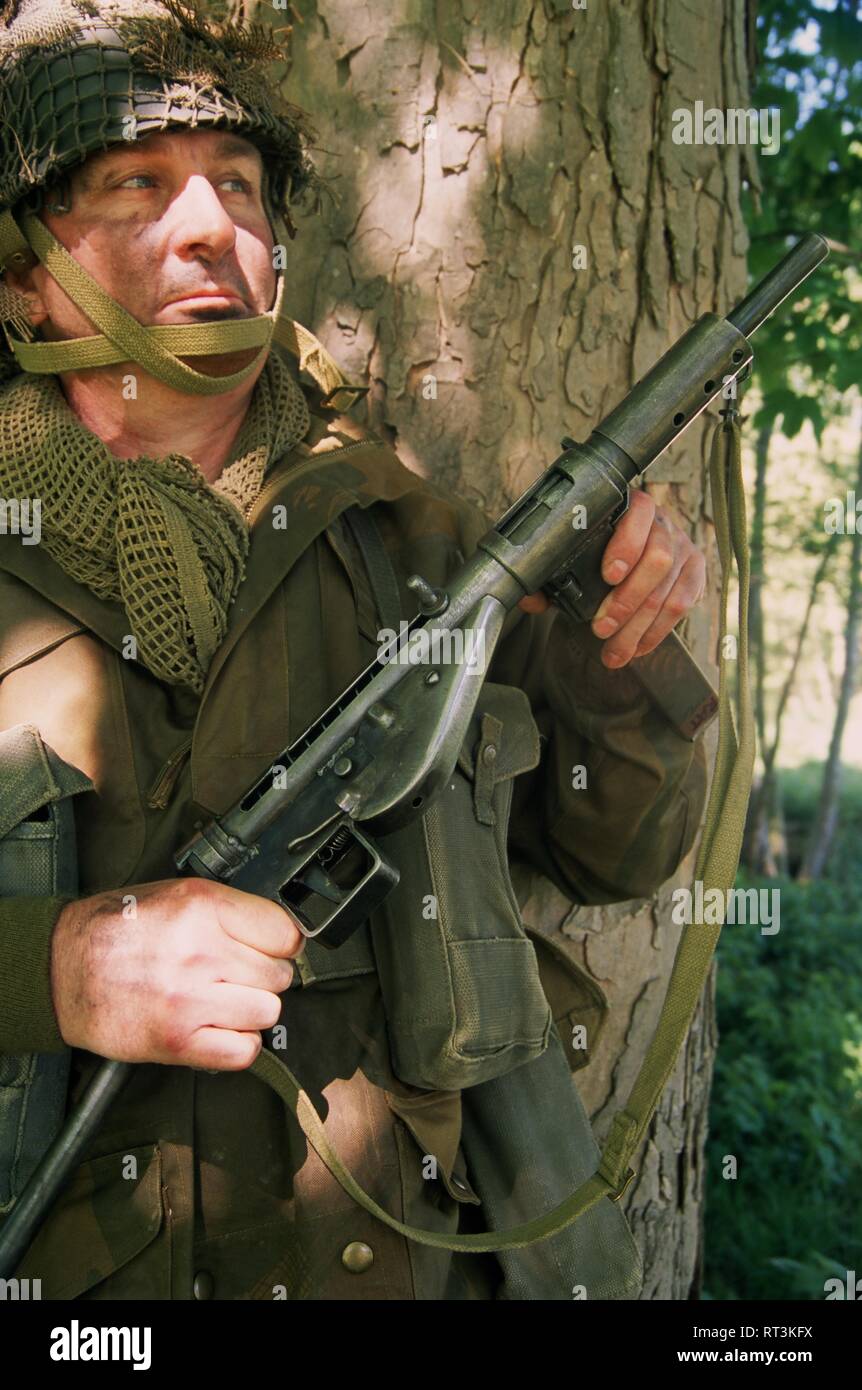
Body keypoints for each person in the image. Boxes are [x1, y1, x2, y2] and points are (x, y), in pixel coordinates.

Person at [0, 0, 707, 1301]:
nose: (210, 224)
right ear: (20, 268)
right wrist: (50, 971)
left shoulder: (408, 534)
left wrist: (621, 669)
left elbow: (615, 858)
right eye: (136, 185)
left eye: (240, 186)